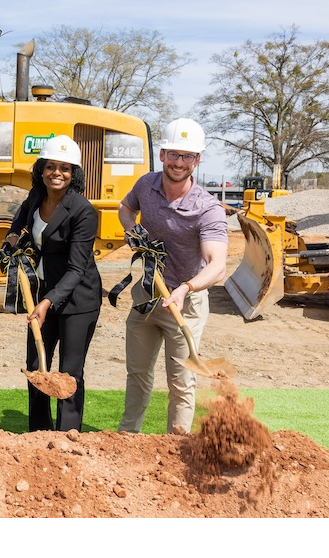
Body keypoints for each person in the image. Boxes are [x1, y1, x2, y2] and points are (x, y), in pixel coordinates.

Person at [117, 117, 228, 434]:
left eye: (188, 156)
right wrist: (132, 230)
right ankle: (127, 439)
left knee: (181, 382)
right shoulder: (145, 185)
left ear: (197, 160)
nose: (180, 162)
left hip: (186, 303)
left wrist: (186, 288)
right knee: (137, 373)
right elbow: (125, 208)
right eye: (174, 154)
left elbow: (217, 264)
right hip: (147, 296)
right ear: (163, 154)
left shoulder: (207, 208)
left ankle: (176, 447)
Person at [2, 135, 102, 432]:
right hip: (43, 292)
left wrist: (46, 303)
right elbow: (22, 214)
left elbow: (76, 268)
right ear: (41, 169)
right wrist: (11, 236)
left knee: (69, 373)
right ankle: (38, 433)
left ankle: (68, 436)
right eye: (50, 166)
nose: (57, 173)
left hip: (77, 300)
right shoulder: (36, 195)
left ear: (74, 174)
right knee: (36, 367)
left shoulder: (83, 211)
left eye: (65, 168)